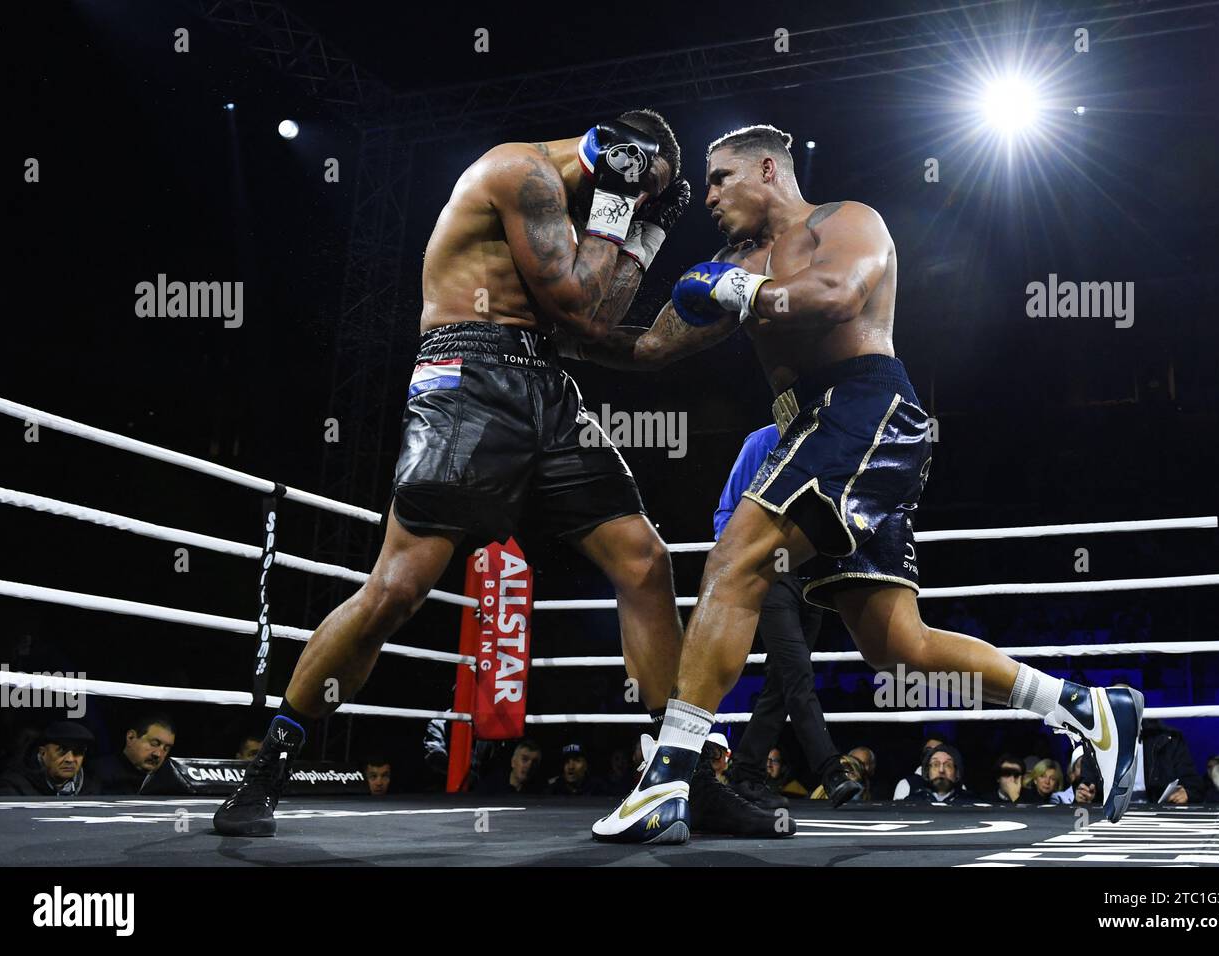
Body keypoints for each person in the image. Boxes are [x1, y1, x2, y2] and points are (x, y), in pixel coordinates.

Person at [589, 123, 1142, 844]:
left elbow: (837, 296)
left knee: (735, 561)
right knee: (894, 642)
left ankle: (668, 780)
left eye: (722, 178)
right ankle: (1086, 708)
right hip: (812, 429)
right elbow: (650, 345)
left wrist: (739, 290)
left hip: (862, 406)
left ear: (768, 169)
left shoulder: (844, 222)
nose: (711, 196)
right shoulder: (732, 260)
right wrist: (559, 325)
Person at [215, 112, 697, 837]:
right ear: (613, 152)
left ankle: (676, 774)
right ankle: (268, 770)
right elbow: (575, 299)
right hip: (468, 377)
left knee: (645, 562)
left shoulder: (571, 212)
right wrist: (620, 208)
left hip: (545, 385)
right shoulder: (520, 172)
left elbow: (594, 322)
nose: (631, 204)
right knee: (397, 589)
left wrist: (648, 234)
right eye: (635, 186)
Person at [713, 425, 860, 810]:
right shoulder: (762, 441)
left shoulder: (834, 438)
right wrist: (743, 565)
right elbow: (726, 511)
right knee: (797, 672)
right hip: (771, 575)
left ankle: (745, 773)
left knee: (781, 681)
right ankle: (832, 771)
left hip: (814, 578)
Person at [1079, 718, 1206, 806]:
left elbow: (1193, 784)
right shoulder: (1095, 741)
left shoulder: (1168, 739)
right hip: (1108, 816)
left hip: (1157, 814)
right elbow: (1086, 784)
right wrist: (1085, 794)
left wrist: (1187, 793)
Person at [0, 721, 101, 797]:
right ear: (43, 753)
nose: (70, 759)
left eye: (78, 752)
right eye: (62, 751)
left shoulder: (92, 787)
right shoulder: (14, 787)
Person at [97, 713, 176, 795]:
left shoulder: (167, 784)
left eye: (166, 748)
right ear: (131, 737)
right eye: (154, 743)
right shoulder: (98, 774)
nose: (158, 754)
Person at [903, 744, 972, 805]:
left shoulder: (971, 802)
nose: (941, 770)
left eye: (948, 765)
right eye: (935, 764)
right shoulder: (912, 802)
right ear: (927, 771)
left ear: (957, 772)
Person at [477, 739, 544, 796]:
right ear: (513, 761)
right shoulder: (490, 786)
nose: (529, 765)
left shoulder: (540, 793)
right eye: (525, 759)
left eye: (534, 762)